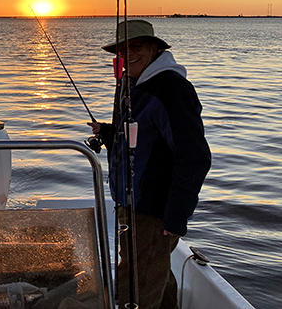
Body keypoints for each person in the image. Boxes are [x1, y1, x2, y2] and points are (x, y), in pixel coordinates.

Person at [89, 19, 211, 309]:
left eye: (137, 46)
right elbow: (143, 138)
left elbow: (195, 156)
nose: (128, 54)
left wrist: (176, 215)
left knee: (135, 288)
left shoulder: (170, 88)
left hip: (152, 211)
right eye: (122, 50)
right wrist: (109, 133)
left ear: (155, 49)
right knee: (154, 274)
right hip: (130, 204)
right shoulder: (133, 83)